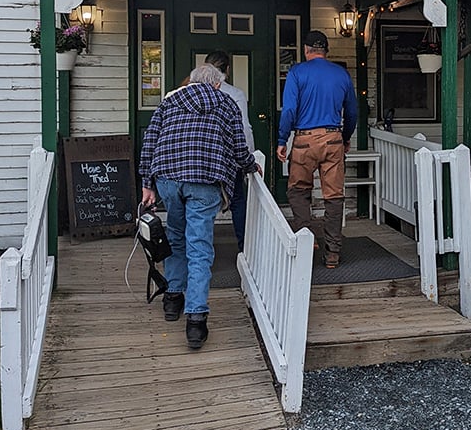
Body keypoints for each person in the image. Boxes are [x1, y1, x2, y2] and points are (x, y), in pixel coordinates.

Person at [139, 63, 259, 350]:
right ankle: (195, 320)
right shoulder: (225, 101)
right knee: (200, 247)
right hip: (204, 178)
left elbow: (149, 142)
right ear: (217, 84)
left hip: (168, 177)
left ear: (190, 82)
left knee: (176, 237)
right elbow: (238, 144)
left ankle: (172, 300)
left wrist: (147, 183)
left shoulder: (170, 101)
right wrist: (250, 165)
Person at [276, 30, 358, 268]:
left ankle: (305, 236)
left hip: (304, 140)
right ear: (326, 50)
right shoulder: (341, 74)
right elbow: (351, 112)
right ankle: (333, 253)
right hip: (333, 138)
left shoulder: (297, 72)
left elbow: (289, 110)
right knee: (334, 196)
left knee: (298, 191)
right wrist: (345, 137)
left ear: (306, 49)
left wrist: (282, 139)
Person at [204, 50, 255, 252]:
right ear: (227, 70)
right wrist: (247, 158)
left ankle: (202, 251)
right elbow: (243, 129)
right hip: (228, 160)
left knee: (202, 207)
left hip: (202, 160)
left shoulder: (188, 92)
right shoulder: (234, 94)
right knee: (238, 201)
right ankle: (244, 248)